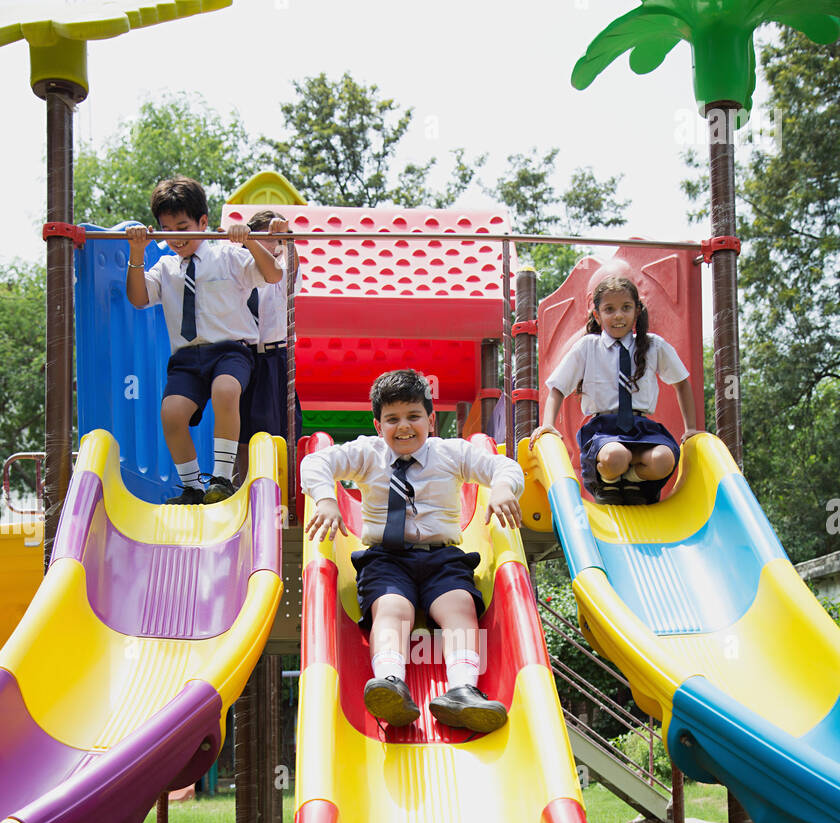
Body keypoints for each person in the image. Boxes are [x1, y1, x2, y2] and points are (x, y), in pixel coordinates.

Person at [301, 369, 524, 732]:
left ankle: (462, 691)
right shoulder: (368, 454)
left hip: (442, 557)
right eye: (392, 419)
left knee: (459, 607)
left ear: (431, 419)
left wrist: (502, 488)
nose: (403, 427)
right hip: (386, 560)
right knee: (392, 608)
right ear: (378, 425)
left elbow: (504, 465)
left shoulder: (451, 453)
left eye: (413, 416)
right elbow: (316, 462)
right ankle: (390, 684)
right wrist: (326, 500)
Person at [125, 177, 283, 505]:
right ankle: (193, 486)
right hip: (186, 358)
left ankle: (222, 479)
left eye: (183, 227)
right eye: (167, 229)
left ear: (203, 222)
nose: (176, 237)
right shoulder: (165, 267)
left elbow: (273, 275)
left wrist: (251, 241)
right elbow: (138, 298)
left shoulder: (228, 256)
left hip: (229, 351)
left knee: (226, 391)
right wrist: (137, 253)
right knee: (171, 412)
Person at [530, 274, 699, 504]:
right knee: (616, 456)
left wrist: (690, 429)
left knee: (663, 459)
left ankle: (631, 479)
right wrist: (547, 424)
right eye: (609, 309)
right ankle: (609, 483)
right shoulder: (588, 347)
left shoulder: (652, 346)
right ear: (598, 316)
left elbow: (682, 382)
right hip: (603, 429)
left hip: (641, 428)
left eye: (625, 308)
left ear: (636, 312)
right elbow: (558, 387)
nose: (618, 315)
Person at [238, 209, 304, 468]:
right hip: (245, 354)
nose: (272, 244)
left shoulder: (281, 269)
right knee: (243, 427)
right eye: (267, 237)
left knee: (279, 428)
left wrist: (288, 237)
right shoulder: (238, 267)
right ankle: (239, 483)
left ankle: (281, 485)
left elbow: (293, 265)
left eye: (275, 239)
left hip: (274, 356)